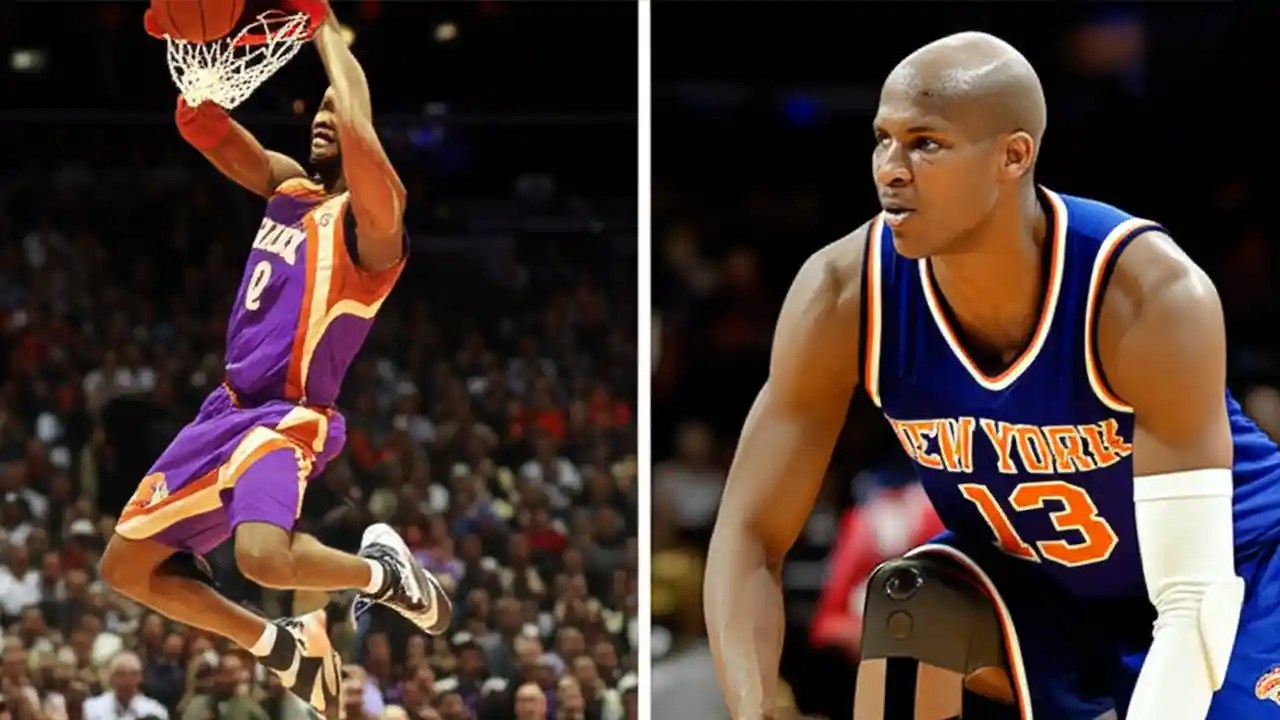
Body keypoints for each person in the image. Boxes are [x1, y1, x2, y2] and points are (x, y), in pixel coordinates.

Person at [704, 30, 1280, 720]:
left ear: (1014, 155)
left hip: (1235, 578)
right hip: (1048, 587)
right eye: (883, 138)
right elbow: (748, 535)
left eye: (926, 143)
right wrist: (754, 706)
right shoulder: (843, 294)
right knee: (914, 598)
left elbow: (1191, 599)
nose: (891, 167)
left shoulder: (1143, 292)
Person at [99, 2, 451, 715]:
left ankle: (380, 573)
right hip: (223, 410)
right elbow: (207, 134)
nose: (323, 116)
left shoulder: (375, 224)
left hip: (288, 417)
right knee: (125, 568)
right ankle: (277, 645)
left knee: (262, 556)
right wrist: (198, 83)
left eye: (332, 105)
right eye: (314, 108)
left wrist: (324, 26)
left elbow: (357, 127)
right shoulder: (288, 188)